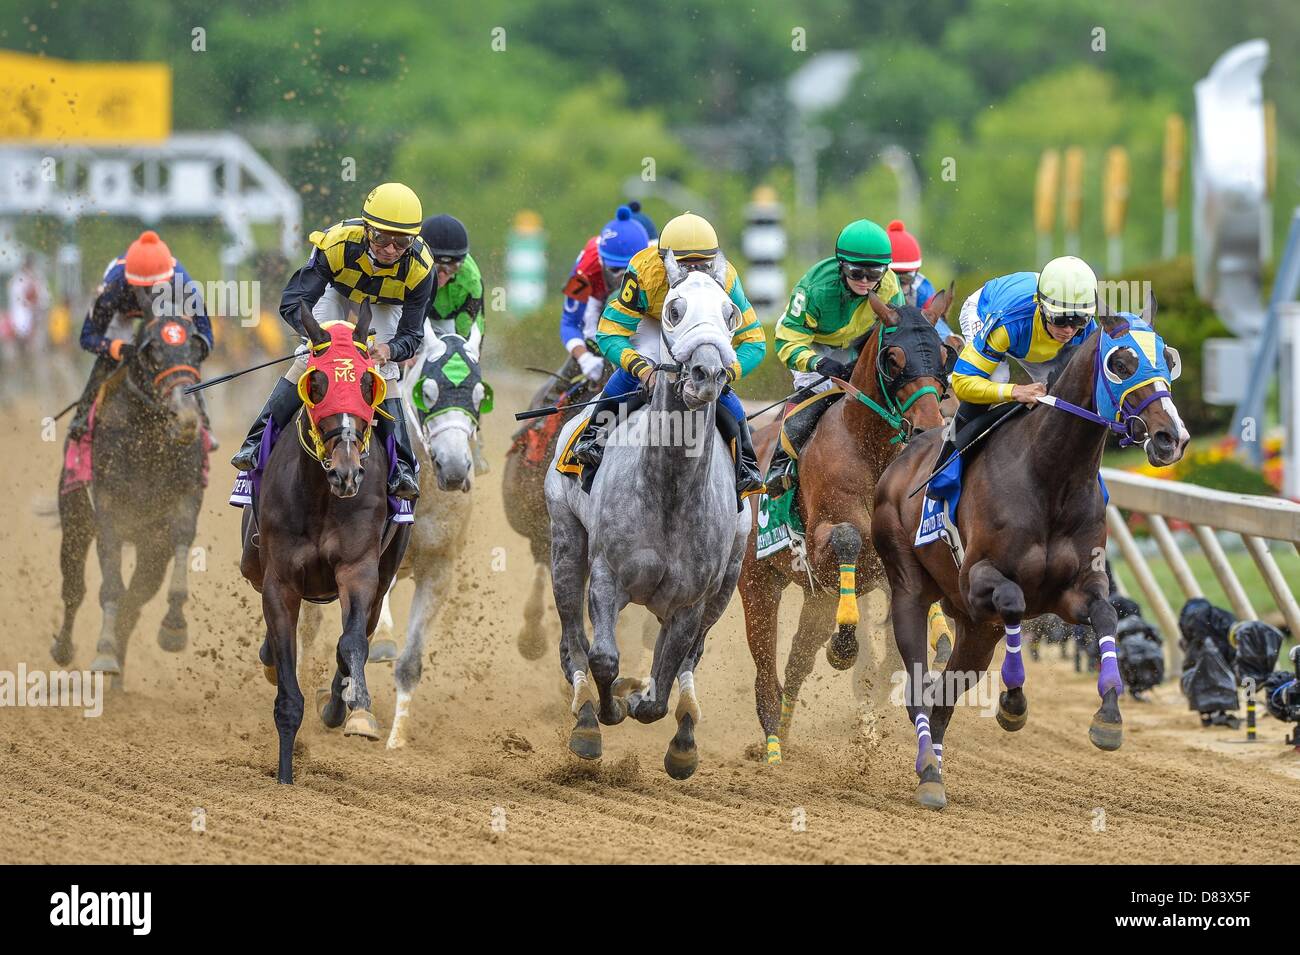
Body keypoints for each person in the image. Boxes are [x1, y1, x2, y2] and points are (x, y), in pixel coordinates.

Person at [229, 182, 433, 501]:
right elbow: (295, 300)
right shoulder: (336, 243)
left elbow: (412, 335)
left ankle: (403, 468)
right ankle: (255, 444)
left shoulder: (421, 269)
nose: (390, 250)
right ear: (367, 230)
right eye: (381, 238)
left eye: (402, 242)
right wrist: (321, 341)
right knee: (309, 358)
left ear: (414, 240)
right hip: (336, 292)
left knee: (388, 372)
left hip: (386, 305)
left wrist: (389, 350)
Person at [569, 211, 767, 498]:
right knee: (641, 363)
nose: (695, 272)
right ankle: (593, 436)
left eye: (703, 264)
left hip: (703, 330)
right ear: (664, 261)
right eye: (685, 266)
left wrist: (728, 373)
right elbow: (610, 331)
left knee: (716, 383)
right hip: (654, 322)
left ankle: (746, 461)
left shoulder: (727, 278)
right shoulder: (644, 271)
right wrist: (643, 370)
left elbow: (755, 341)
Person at [928, 255, 1099, 481]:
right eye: (1060, 319)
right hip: (987, 309)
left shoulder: (1087, 331)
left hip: (1029, 334)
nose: (1068, 330)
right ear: (1042, 308)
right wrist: (1016, 391)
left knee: (1062, 395)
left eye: (1079, 321)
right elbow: (963, 382)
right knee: (998, 379)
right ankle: (944, 468)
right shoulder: (1008, 323)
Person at [765, 218, 905, 492]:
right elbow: (786, 339)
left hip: (857, 342)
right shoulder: (814, 289)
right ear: (841, 266)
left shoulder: (890, 286)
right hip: (814, 343)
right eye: (856, 273)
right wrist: (817, 362)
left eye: (873, 274)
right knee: (816, 393)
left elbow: (895, 334)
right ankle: (779, 466)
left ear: (885, 271)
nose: (865, 281)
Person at [68, 231, 213, 440]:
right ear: (130, 281)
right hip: (121, 314)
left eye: (155, 287)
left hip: (165, 312)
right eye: (143, 289)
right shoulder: (113, 287)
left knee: (182, 353)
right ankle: (81, 419)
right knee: (107, 361)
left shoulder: (183, 284)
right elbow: (88, 337)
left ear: (167, 279)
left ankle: (203, 420)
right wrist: (116, 348)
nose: (149, 294)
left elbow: (206, 334)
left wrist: (190, 351)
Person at [420, 213, 490, 473]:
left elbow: (470, 331)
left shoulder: (470, 279)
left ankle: (473, 442)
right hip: (411, 312)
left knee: (464, 373)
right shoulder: (408, 263)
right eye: (437, 268)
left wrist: (467, 362)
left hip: (450, 322)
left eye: (452, 269)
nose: (444, 275)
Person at [559, 206, 651, 387]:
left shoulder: (654, 262)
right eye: (615, 270)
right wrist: (584, 358)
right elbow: (569, 323)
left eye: (630, 269)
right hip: (596, 325)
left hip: (639, 317)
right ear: (601, 260)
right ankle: (546, 407)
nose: (623, 278)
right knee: (565, 379)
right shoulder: (584, 272)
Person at [886, 219, 955, 339]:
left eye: (904, 279)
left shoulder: (923, 292)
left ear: (916, 274)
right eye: (889, 279)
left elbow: (942, 331)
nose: (896, 286)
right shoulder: (866, 285)